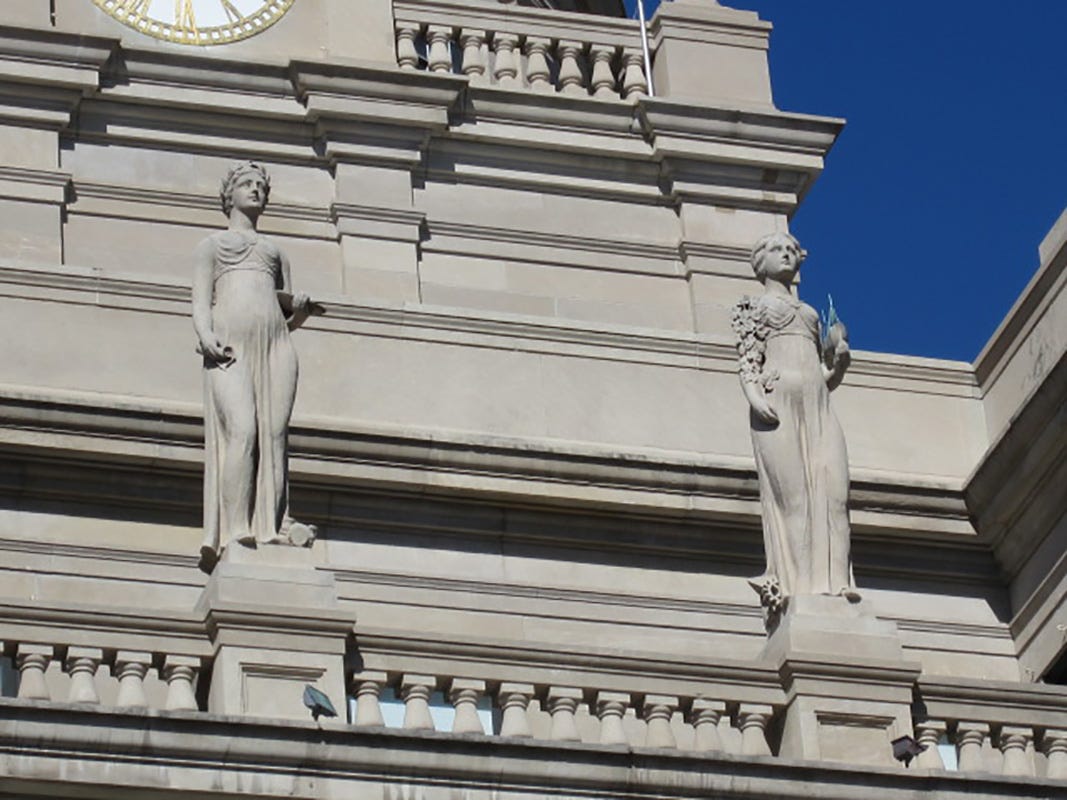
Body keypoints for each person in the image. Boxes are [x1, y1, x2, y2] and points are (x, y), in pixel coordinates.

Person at [192, 161, 315, 573]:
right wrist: (206, 335)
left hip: (277, 347)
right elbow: (198, 302)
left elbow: (287, 314)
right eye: (247, 184)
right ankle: (235, 528)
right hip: (230, 348)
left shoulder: (275, 251)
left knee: (274, 436)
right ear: (229, 194)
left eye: (261, 185)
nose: (256, 191)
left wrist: (299, 311)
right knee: (242, 431)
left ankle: (271, 526)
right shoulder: (211, 245)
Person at [731, 231, 858, 614]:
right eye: (775, 249)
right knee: (797, 500)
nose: (785, 254)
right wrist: (755, 395)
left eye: (790, 249)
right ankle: (802, 590)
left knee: (834, 495)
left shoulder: (810, 313)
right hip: (778, 402)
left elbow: (824, 376)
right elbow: (748, 359)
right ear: (760, 262)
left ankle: (838, 585)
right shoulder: (753, 307)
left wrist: (838, 363)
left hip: (819, 407)